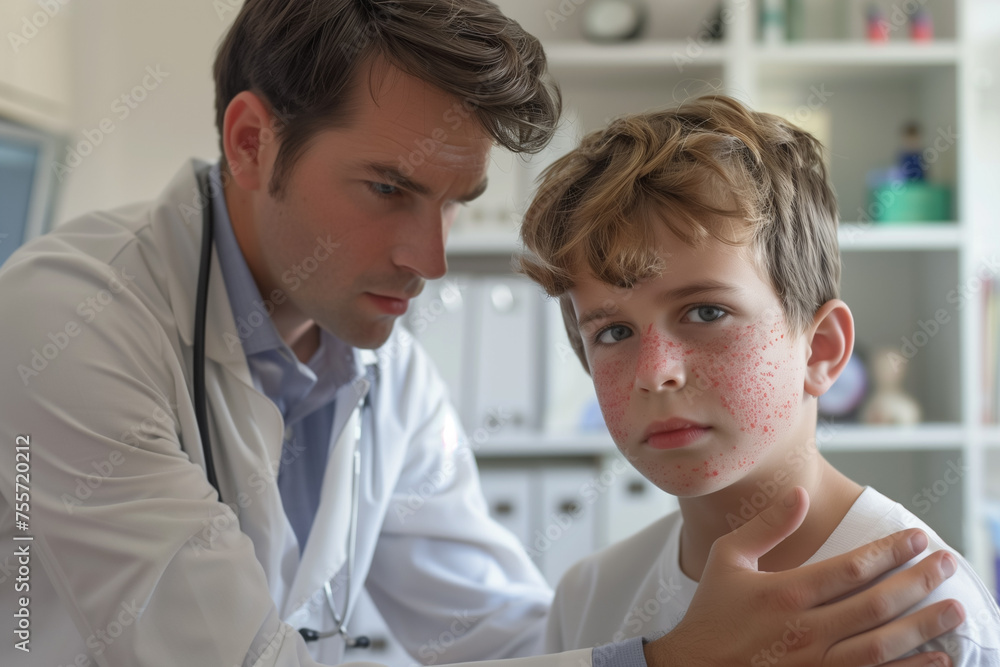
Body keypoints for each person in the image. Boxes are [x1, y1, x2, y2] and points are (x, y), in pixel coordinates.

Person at [0, 2, 966, 666]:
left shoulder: (387, 373)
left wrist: (652, 642)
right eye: (390, 190)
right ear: (251, 142)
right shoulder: (68, 322)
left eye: (457, 203)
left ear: (822, 345)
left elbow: (509, 643)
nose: (431, 260)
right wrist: (665, 659)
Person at [515, 95, 1000, 666]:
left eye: (705, 313)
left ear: (820, 350)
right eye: (615, 333)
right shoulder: (587, 597)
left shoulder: (919, 612)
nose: (655, 372)